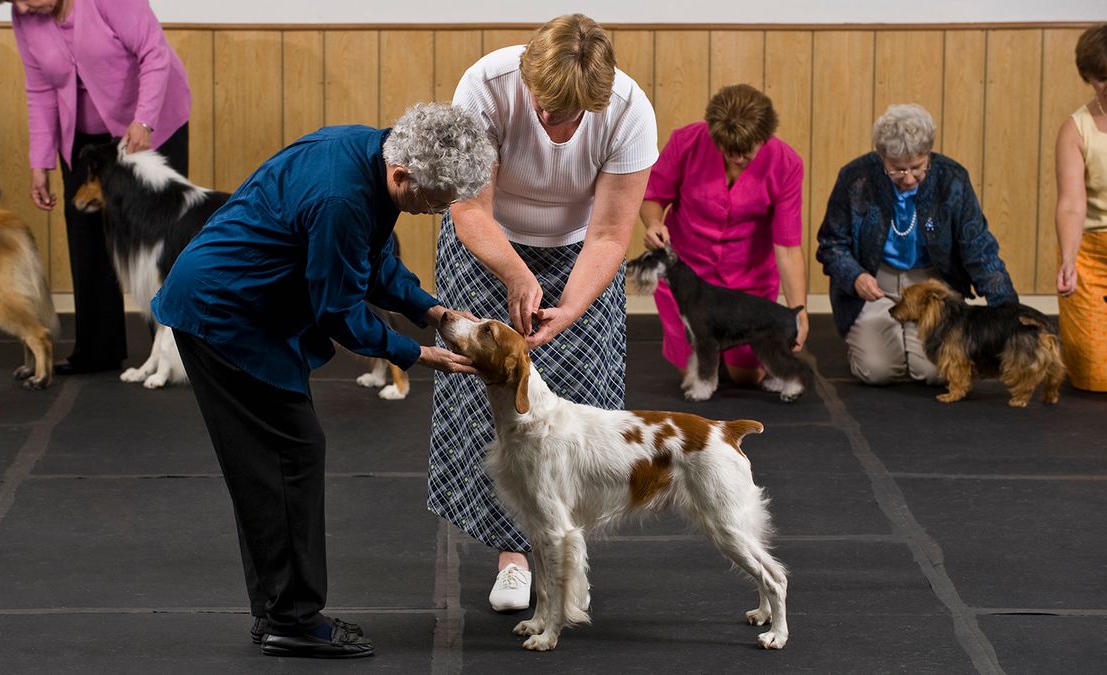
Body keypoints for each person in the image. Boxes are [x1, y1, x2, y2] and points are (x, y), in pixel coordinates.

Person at [150, 103, 496, 659]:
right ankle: (292, 620)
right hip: (227, 318)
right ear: (402, 174)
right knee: (288, 457)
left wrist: (434, 312)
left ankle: (277, 613)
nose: (435, 212)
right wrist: (416, 353)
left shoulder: (367, 151)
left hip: (244, 308)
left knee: (272, 465)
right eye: (435, 201)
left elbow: (372, 260)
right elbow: (338, 310)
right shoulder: (342, 199)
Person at [427, 14, 658, 613]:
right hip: (489, 245)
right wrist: (515, 272)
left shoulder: (630, 112)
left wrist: (573, 304)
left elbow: (610, 234)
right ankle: (513, 557)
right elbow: (469, 210)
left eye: (568, 114)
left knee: (578, 412)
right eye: (544, 107)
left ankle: (560, 547)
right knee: (488, 403)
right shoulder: (486, 86)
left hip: (581, 253)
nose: (552, 123)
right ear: (527, 79)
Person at [0, 0, 191, 374]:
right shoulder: (26, 16)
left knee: (157, 237)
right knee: (85, 228)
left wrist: (144, 120)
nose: (21, 7)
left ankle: (178, 352)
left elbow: (154, 52)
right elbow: (39, 89)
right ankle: (97, 350)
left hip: (150, 121)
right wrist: (40, 162)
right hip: (84, 134)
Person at [816, 103, 1017, 384]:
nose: (909, 178)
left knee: (937, 372)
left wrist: (1007, 308)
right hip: (874, 283)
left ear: (929, 154)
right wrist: (855, 276)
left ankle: (909, 342)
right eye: (897, 170)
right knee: (878, 370)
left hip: (931, 287)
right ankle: (874, 342)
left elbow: (978, 246)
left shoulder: (952, 179)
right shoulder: (855, 177)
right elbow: (831, 243)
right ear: (882, 156)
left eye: (917, 167)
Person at [641, 83, 807, 387]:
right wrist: (653, 223)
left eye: (746, 152)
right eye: (728, 151)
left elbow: (787, 249)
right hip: (688, 276)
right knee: (693, 375)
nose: (737, 159)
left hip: (748, 281)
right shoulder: (685, 142)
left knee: (747, 377)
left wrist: (801, 313)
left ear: (764, 138)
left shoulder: (787, 164)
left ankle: (734, 359)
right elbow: (653, 196)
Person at [1054, 23, 1107, 392]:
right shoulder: (1075, 129)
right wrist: (1069, 260)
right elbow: (1072, 205)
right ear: (1087, 77)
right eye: (1101, 79)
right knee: (1094, 376)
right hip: (1090, 251)